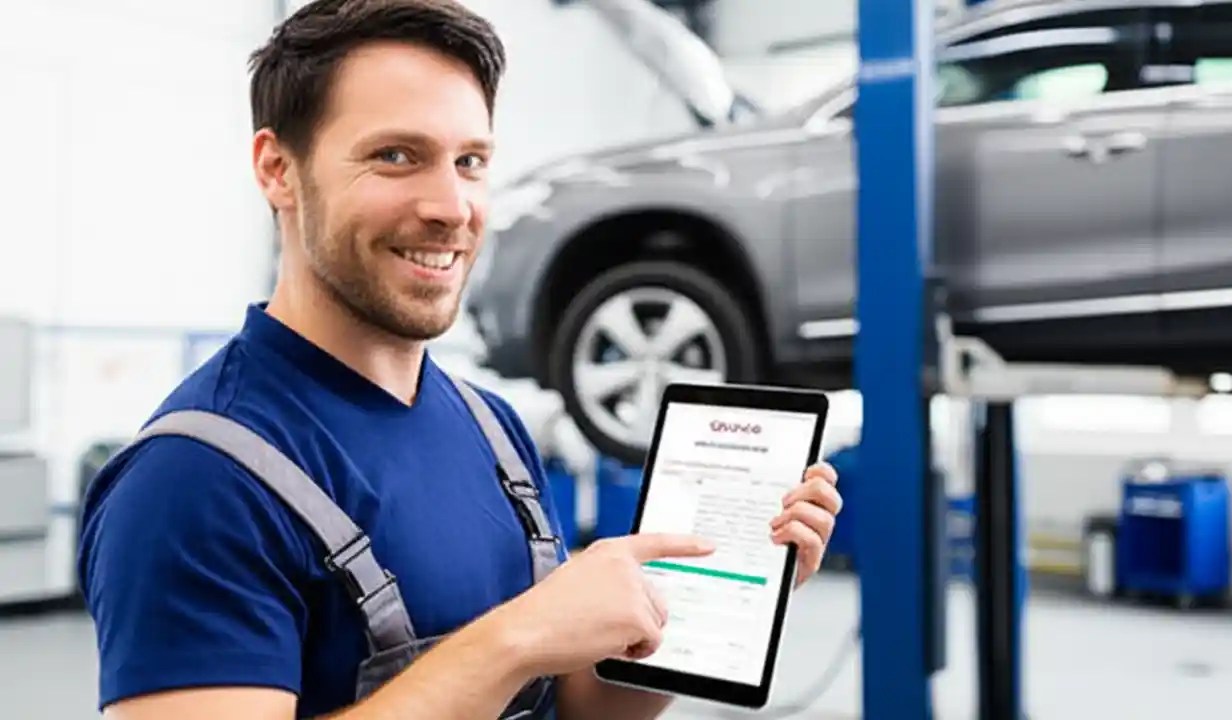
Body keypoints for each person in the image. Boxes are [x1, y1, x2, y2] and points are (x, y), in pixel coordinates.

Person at [76, 1, 844, 718]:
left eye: (470, 161)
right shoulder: (194, 479)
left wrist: (708, 605)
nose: (451, 207)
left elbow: (565, 708)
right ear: (278, 170)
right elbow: (520, 649)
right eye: (397, 156)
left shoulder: (492, 429)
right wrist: (516, 637)